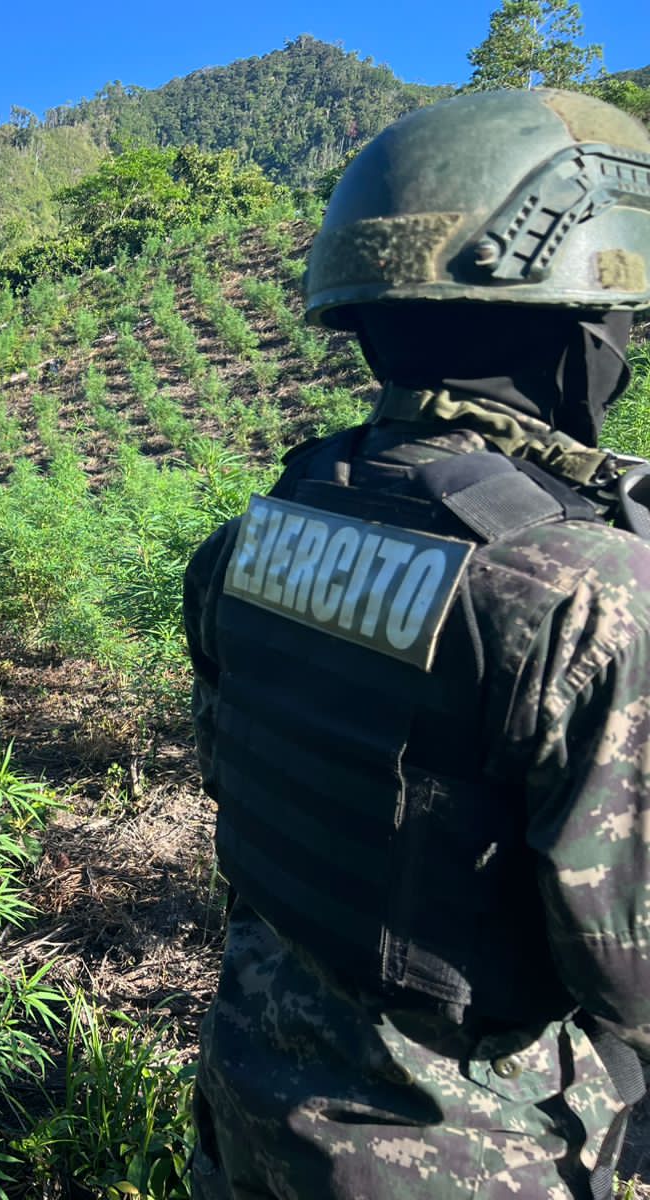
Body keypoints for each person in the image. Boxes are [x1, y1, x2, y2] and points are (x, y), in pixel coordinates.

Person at [185, 88, 650, 1198]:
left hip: (250, 1100)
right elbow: (630, 969)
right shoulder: (583, 594)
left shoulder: (244, 543)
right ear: (581, 331)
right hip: (464, 1151)